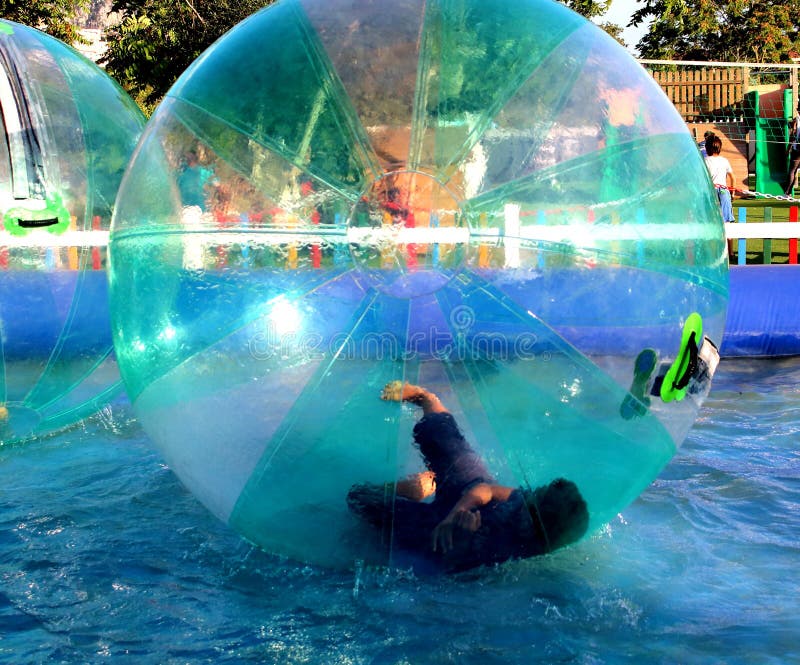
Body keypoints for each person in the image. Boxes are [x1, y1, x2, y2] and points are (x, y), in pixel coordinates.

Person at [347, 382, 589, 573]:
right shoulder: (531, 502)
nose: (532, 492)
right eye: (539, 490)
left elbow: (454, 574)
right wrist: (457, 512)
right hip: (466, 491)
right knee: (439, 434)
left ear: (539, 520)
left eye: (539, 494)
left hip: (442, 531)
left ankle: (421, 486)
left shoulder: (513, 556)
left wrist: (462, 538)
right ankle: (425, 397)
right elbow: (488, 490)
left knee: (360, 499)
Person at [704, 134, 735, 223]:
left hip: (710, 191)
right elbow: (733, 178)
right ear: (719, 148)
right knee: (726, 219)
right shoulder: (724, 161)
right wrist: (732, 193)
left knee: (710, 218)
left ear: (706, 148)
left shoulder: (704, 161)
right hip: (723, 190)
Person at [785, 109, 800, 196]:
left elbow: (793, 135)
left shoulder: (796, 120)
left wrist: (788, 149)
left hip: (797, 150)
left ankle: (788, 193)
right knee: (794, 171)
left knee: (792, 171)